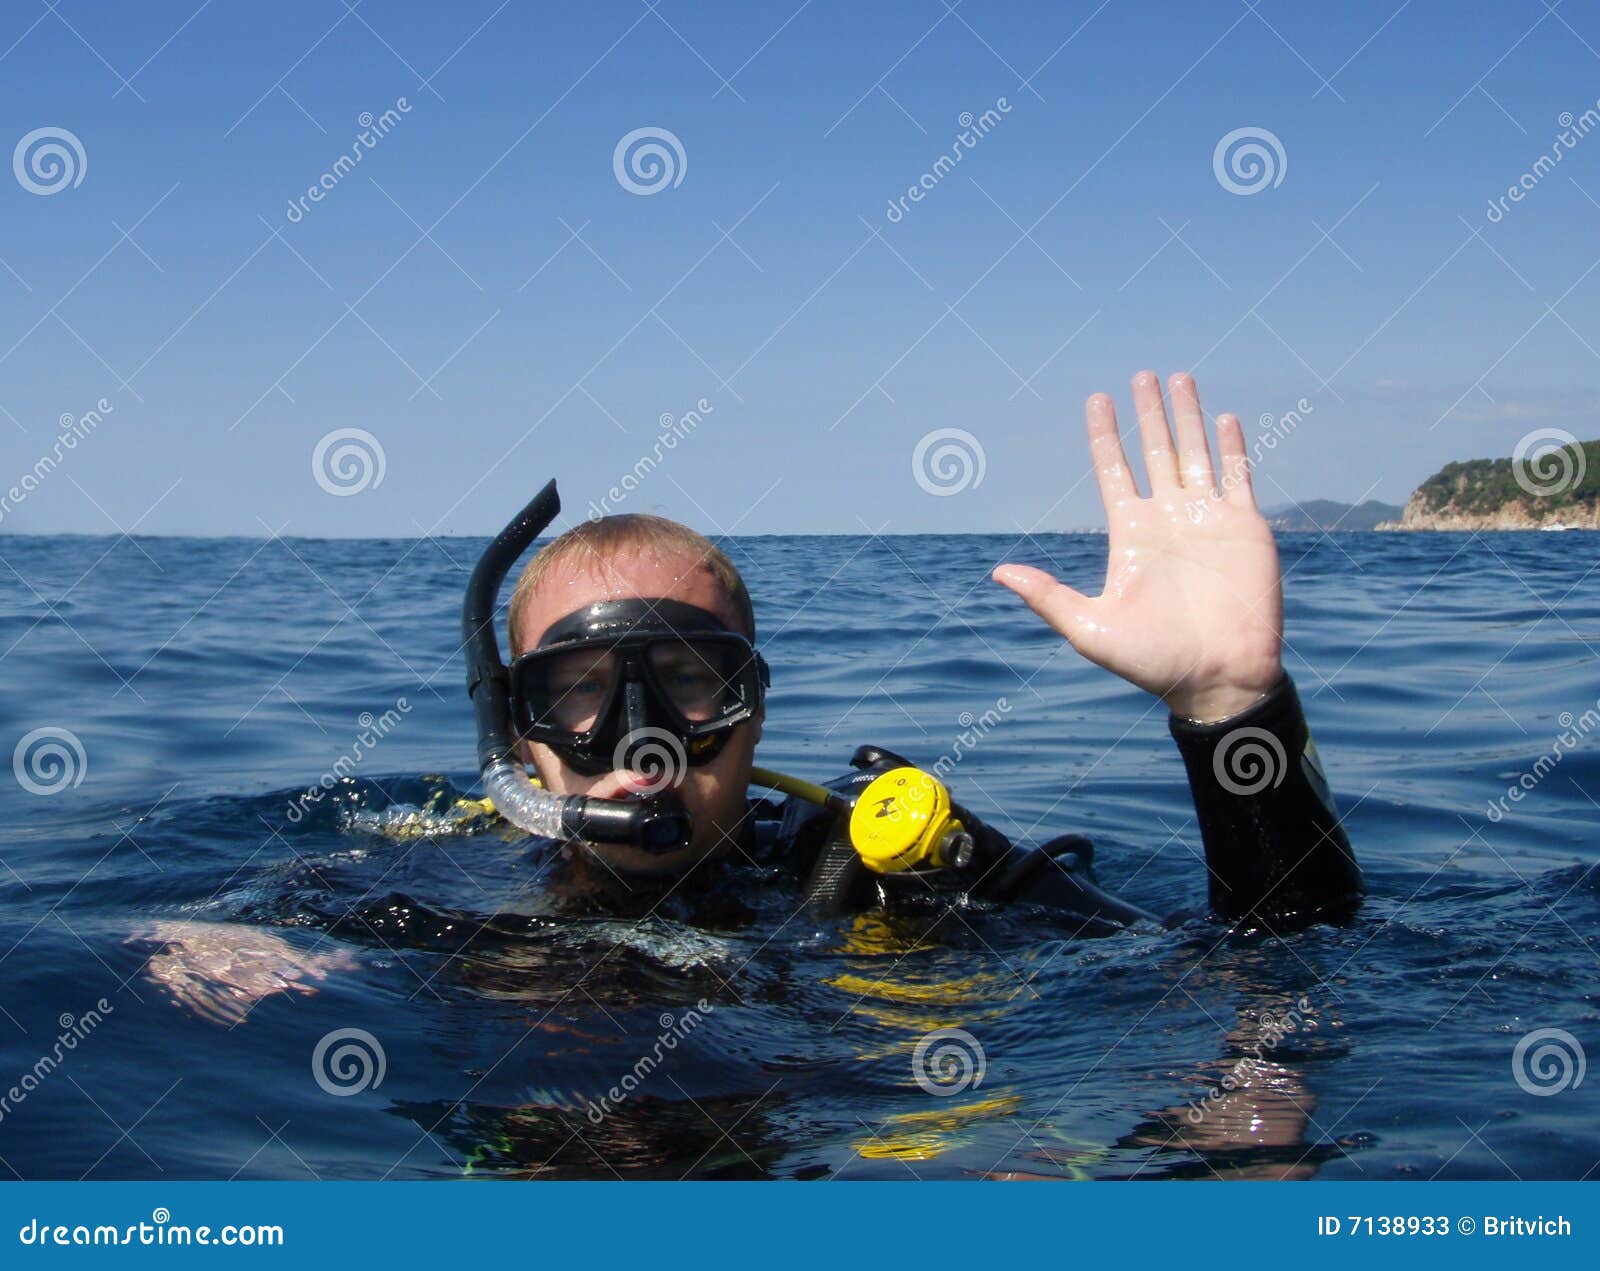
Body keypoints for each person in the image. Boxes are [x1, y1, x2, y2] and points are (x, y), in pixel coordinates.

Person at [140, 372, 1360, 1023]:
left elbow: (1280, 976)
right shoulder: (423, 884)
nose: (639, 741)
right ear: (520, 731)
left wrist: (1229, 709)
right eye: (578, 692)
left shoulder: (882, 870)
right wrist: (218, 933)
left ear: (756, 712)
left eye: (687, 683)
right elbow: (208, 920)